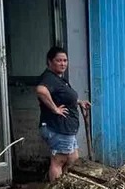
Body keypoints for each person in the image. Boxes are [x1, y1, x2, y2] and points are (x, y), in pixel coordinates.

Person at [35, 46, 91, 182]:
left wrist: (79, 102)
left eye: (65, 60)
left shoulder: (58, 79)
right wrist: (55, 109)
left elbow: (64, 97)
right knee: (59, 160)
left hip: (65, 128)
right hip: (58, 127)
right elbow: (41, 90)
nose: (63, 63)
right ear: (50, 61)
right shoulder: (49, 78)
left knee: (73, 159)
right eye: (59, 60)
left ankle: (64, 186)